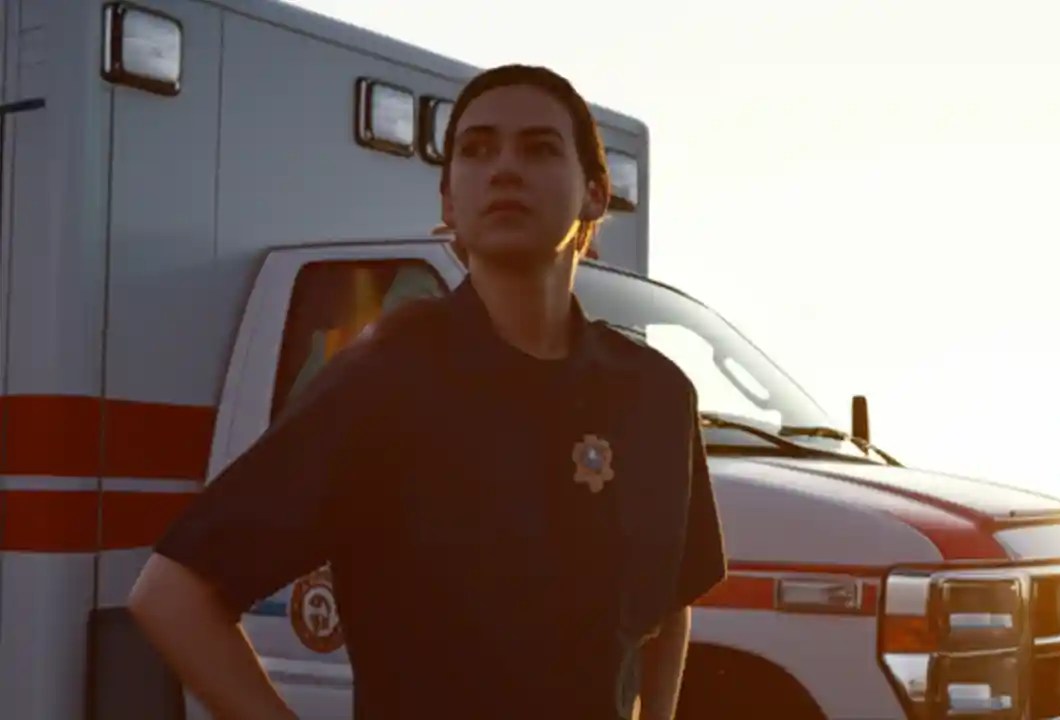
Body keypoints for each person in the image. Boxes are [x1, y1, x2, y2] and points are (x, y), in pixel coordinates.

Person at [127, 64, 728, 720]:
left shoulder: (657, 394)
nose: (504, 168)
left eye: (539, 148)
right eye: (475, 149)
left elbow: (671, 607)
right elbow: (173, 593)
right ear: (448, 206)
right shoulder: (386, 381)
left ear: (594, 193)